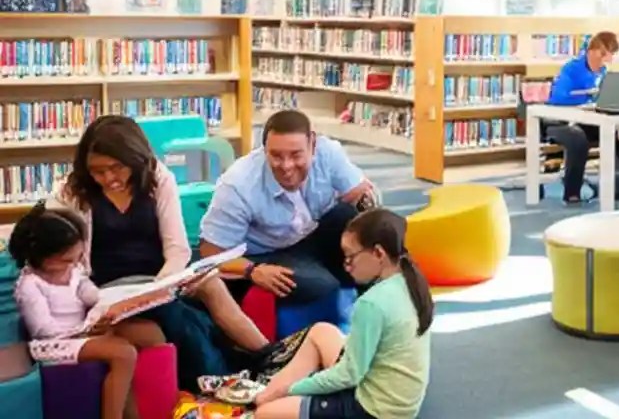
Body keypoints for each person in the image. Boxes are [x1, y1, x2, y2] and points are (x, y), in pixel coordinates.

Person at [46, 115, 269, 391]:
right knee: (178, 315)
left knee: (211, 284)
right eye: (98, 171)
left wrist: (161, 286)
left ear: (135, 158)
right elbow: (67, 263)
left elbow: (176, 247)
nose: (108, 178)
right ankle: (223, 373)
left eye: (117, 168)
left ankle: (267, 356)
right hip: (107, 289)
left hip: (160, 276)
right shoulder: (72, 193)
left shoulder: (157, 177)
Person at [251, 208, 433, 419]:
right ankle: (270, 392)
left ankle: (273, 395)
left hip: (372, 410)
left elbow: (349, 375)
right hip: (399, 400)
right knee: (321, 331)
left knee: (264, 414)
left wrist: (293, 389)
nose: (346, 267)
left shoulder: (372, 303)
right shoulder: (409, 281)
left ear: (378, 254)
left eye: (350, 257)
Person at [199, 110, 377, 305]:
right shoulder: (238, 184)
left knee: (356, 220)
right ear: (263, 149)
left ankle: (367, 296)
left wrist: (372, 232)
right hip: (264, 254)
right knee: (321, 285)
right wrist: (252, 271)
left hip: (310, 234)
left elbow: (360, 193)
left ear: (313, 145)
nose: (286, 166)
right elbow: (211, 252)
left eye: (296, 155)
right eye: (275, 156)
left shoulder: (328, 153)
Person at [11, 204, 165, 419]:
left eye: (76, 258)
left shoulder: (72, 272)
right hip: (51, 344)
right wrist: (85, 331)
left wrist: (116, 304)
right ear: (43, 257)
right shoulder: (30, 285)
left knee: (148, 333)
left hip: (82, 333)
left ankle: (150, 408)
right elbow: (42, 330)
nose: (73, 265)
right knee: (123, 353)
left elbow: (91, 294)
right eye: (66, 260)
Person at [544, 31, 618, 204]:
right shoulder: (571, 68)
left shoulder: (603, 72)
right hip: (558, 121)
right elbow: (559, 98)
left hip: (586, 119)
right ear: (592, 50)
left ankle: (616, 186)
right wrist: (586, 96)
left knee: (611, 132)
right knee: (577, 140)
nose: (605, 60)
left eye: (610, 55)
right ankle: (572, 191)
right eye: (603, 54)